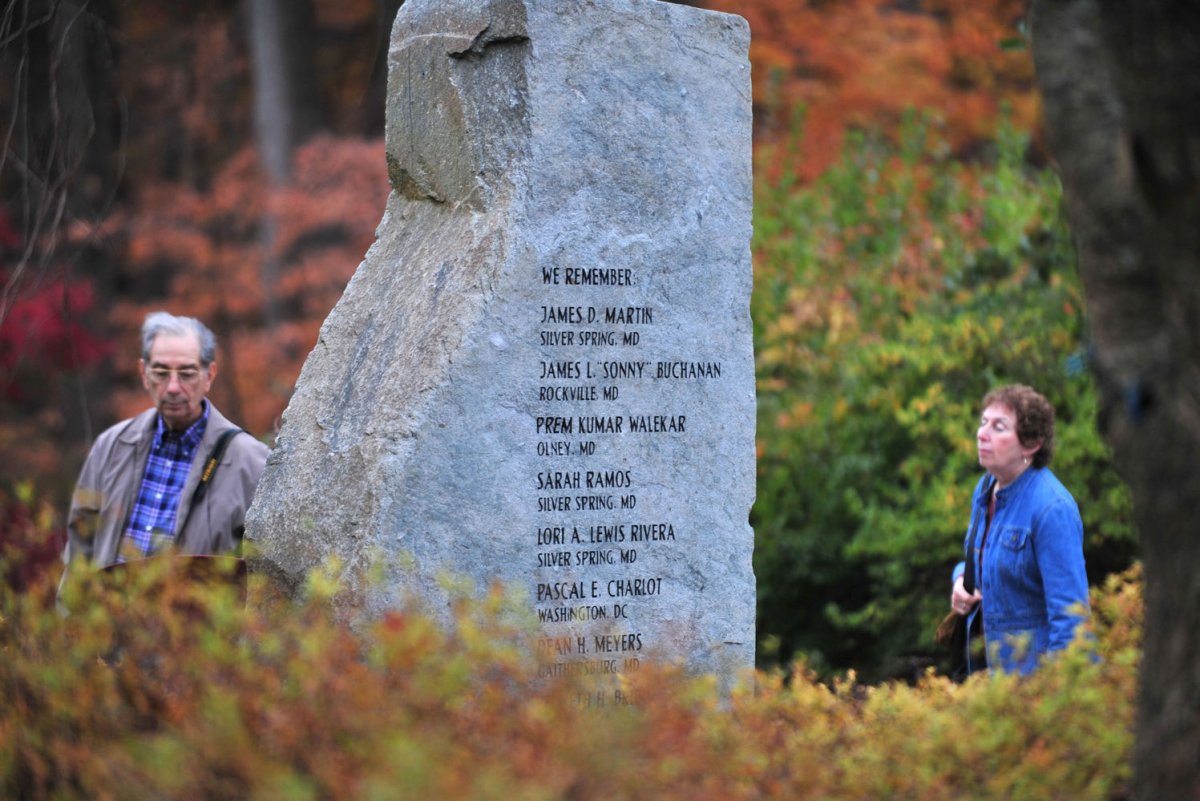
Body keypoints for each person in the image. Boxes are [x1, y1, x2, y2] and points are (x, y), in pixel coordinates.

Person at [61, 312, 269, 579]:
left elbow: (267, 575)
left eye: (186, 374)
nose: (172, 387)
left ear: (209, 375)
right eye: (161, 373)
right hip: (109, 606)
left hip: (199, 607)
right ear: (144, 374)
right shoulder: (110, 447)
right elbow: (78, 554)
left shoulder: (252, 462)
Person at [948, 384, 1089, 675]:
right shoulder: (985, 488)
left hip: (1032, 684)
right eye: (983, 422)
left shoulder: (1052, 509)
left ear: (1031, 444)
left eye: (998, 427)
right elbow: (986, 561)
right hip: (987, 676)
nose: (982, 433)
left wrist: (1056, 691)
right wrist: (962, 578)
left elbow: (1071, 619)